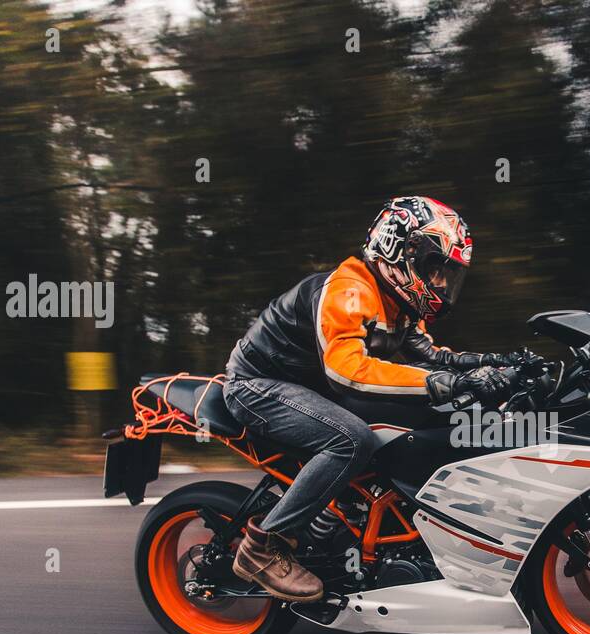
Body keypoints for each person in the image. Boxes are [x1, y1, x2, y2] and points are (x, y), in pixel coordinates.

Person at [223, 196, 525, 602]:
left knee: (424, 416)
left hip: (308, 389)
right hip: (258, 385)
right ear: (398, 250)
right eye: (434, 269)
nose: (439, 283)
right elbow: (347, 371)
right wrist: (446, 383)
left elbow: (435, 357)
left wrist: (495, 365)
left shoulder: (399, 303)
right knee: (351, 440)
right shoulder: (350, 290)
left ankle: (353, 518)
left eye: (446, 274)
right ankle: (263, 546)